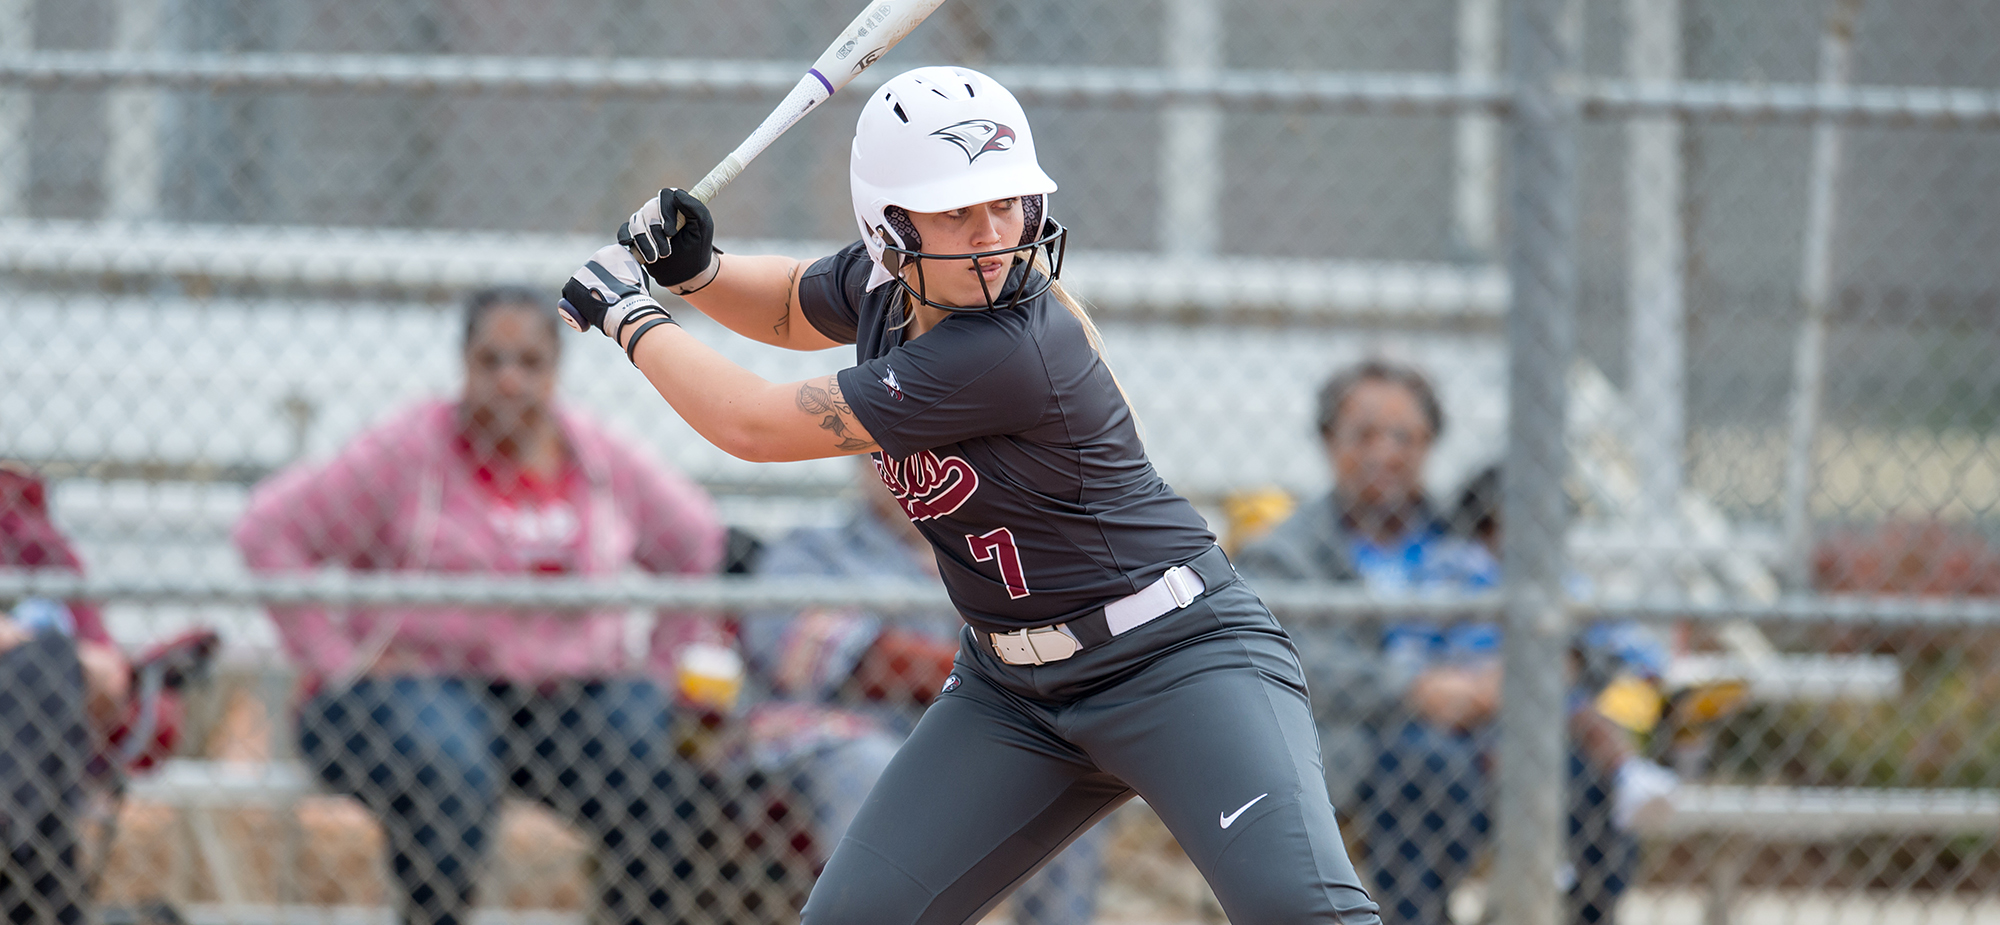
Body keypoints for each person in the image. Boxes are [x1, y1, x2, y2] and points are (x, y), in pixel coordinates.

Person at [557, 65, 1382, 924]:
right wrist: (697, 271)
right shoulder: (889, 285)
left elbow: (757, 428)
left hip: (1174, 661)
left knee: (1305, 913)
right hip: (1011, 691)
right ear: (890, 228)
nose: (992, 233)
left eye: (1008, 203)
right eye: (957, 211)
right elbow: (792, 309)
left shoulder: (1009, 346)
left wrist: (630, 316)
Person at [234, 287, 728, 925]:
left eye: (529, 363)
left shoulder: (593, 454)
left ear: (555, 372)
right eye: (490, 362)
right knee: (450, 762)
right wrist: (339, 660)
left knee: (650, 749)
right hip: (425, 683)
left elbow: (695, 541)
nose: (509, 381)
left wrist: (664, 666)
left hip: (561, 699)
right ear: (464, 365)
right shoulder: (410, 449)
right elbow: (268, 532)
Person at [1236, 360, 1677, 925]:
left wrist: (1553, 666)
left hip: (1499, 729)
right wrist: (1415, 689)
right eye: (1364, 434)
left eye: (1405, 436)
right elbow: (1285, 660)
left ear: (1430, 446)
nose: (1385, 452)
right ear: (1328, 442)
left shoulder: (1471, 528)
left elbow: (1570, 613)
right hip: (1366, 745)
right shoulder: (1287, 553)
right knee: (1427, 765)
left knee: (1589, 778)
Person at [739, 458, 1108, 925]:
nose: (908, 468)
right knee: (876, 766)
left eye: (927, 452)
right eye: (887, 454)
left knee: (1069, 766)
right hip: (842, 732)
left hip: (967, 733)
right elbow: (850, 660)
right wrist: (996, 666)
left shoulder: (996, 556)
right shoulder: (814, 549)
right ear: (862, 463)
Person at [0, 465, 131, 925]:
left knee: (45, 659)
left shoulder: (33, 545)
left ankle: (9, 826)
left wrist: (24, 641)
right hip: (43, 784)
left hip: (37, 742)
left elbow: (109, 676)